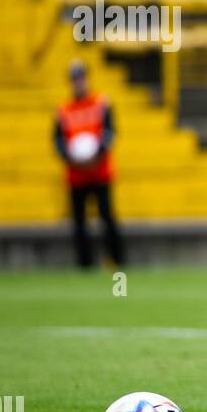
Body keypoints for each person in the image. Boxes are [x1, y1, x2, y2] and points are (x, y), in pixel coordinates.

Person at [54, 60, 125, 268]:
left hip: (100, 172)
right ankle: (85, 264)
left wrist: (96, 157)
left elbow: (110, 134)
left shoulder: (101, 103)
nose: (78, 83)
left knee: (107, 218)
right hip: (76, 176)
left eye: (81, 78)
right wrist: (72, 158)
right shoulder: (64, 110)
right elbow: (58, 142)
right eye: (74, 79)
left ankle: (117, 260)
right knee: (79, 223)